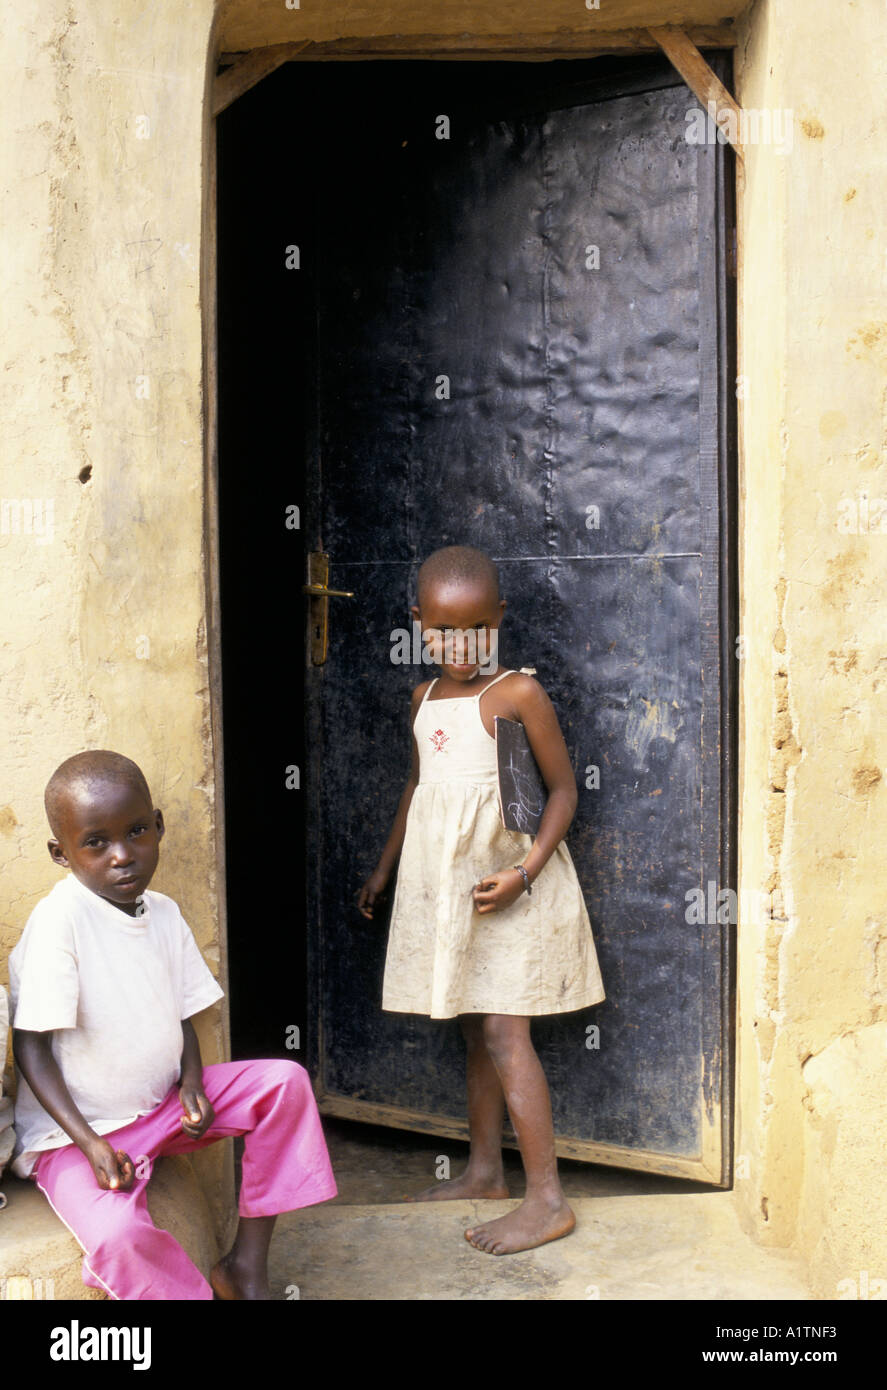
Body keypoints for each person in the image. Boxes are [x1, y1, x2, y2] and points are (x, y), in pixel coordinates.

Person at [9, 750, 337, 1300]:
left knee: (284, 1084)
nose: (123, 856)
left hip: (162, 1108)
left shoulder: (162, 912)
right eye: (96, 843)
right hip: (76, 1137)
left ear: (158, 826)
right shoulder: (59, 922)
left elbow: (181, 1013)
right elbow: (32, 1049)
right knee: (117, 1237)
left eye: (137, 832)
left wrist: (191, 1082)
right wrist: (89, 1143)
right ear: (60, 854)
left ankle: (245, 1268)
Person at [358, 544, 605, 1255]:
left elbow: (562, 790)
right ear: (417, 624)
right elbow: (418, 788)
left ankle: (547, 1199)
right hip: (453, 894)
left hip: (514, 889)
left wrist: (525, 872)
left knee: (504, 1033)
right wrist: (383, 867)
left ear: (497, 619)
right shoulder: (422, 700)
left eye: (475, 629)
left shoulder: (517, 694)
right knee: (473, 1028)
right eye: (441, 630)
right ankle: (484, 1171)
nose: (458, 645)